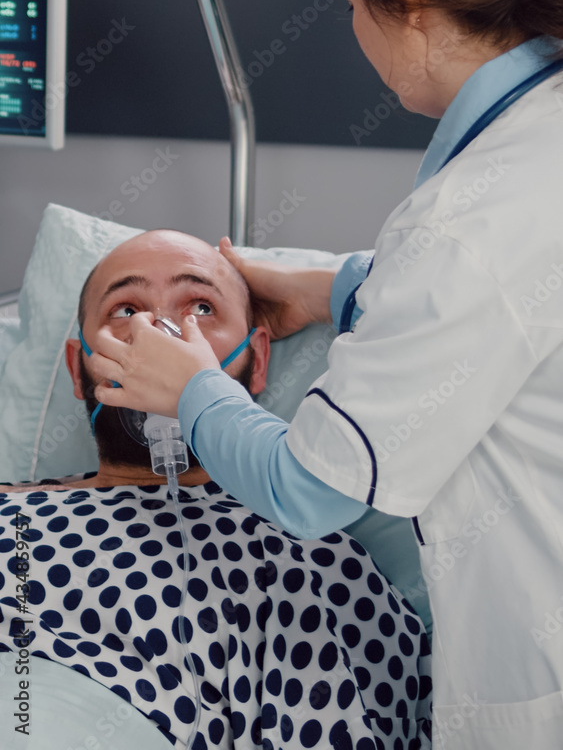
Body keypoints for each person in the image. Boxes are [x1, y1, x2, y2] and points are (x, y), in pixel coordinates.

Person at [88, 0, 563, 749]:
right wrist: (335, 288)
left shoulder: (469, 223)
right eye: (128, 308)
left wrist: (193, 393)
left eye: (349, 4)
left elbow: (312, 495)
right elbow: (498, 305)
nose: (163, 320)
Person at [0, 230, 432, 750]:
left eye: (201, 306)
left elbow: (439, 317)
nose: (161, 336)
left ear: (258, 360)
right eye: (125, 309)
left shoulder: (308, 555)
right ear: (78, 366)